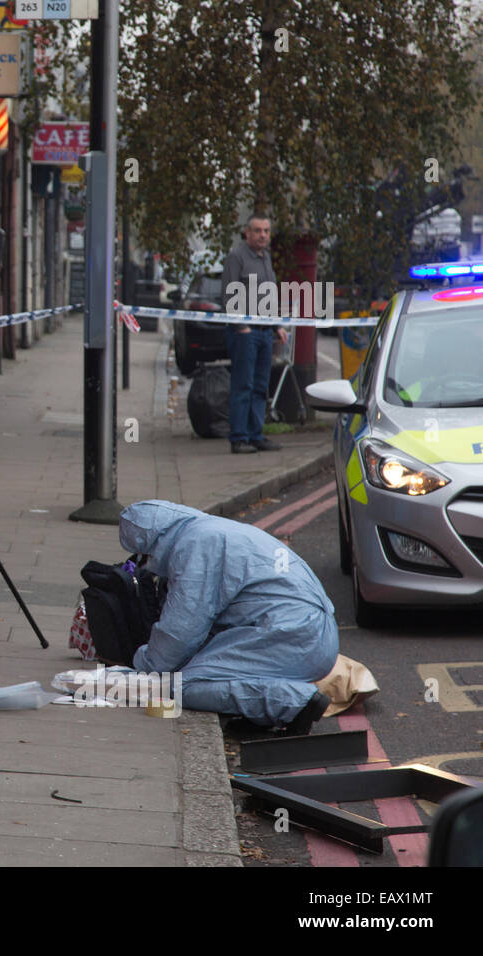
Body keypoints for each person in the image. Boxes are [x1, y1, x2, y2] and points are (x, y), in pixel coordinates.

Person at [119, 500, 337, 734]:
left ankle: (295, 703)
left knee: (183, 685)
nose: (146, 565)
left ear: (151, 544)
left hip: (291, 636)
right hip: (305, 633)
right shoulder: (213, 530)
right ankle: (262, 713)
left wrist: (144, 665)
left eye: (143, 557)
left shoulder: (196, 545)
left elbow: (181, 630)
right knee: (209, 672)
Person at [220, 214, 288, 453]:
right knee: (243, 385)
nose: (262, 235)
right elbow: (228, 296)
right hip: (245, 333)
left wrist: (277, 326)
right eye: (258, 231)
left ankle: (256, 435)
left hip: (264, 333)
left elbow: (268, 297)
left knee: (260, 387)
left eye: (266, 231)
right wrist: (241, 326)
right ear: (247, 233)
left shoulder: (265, 258)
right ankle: (239, 438)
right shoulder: (236, 257)